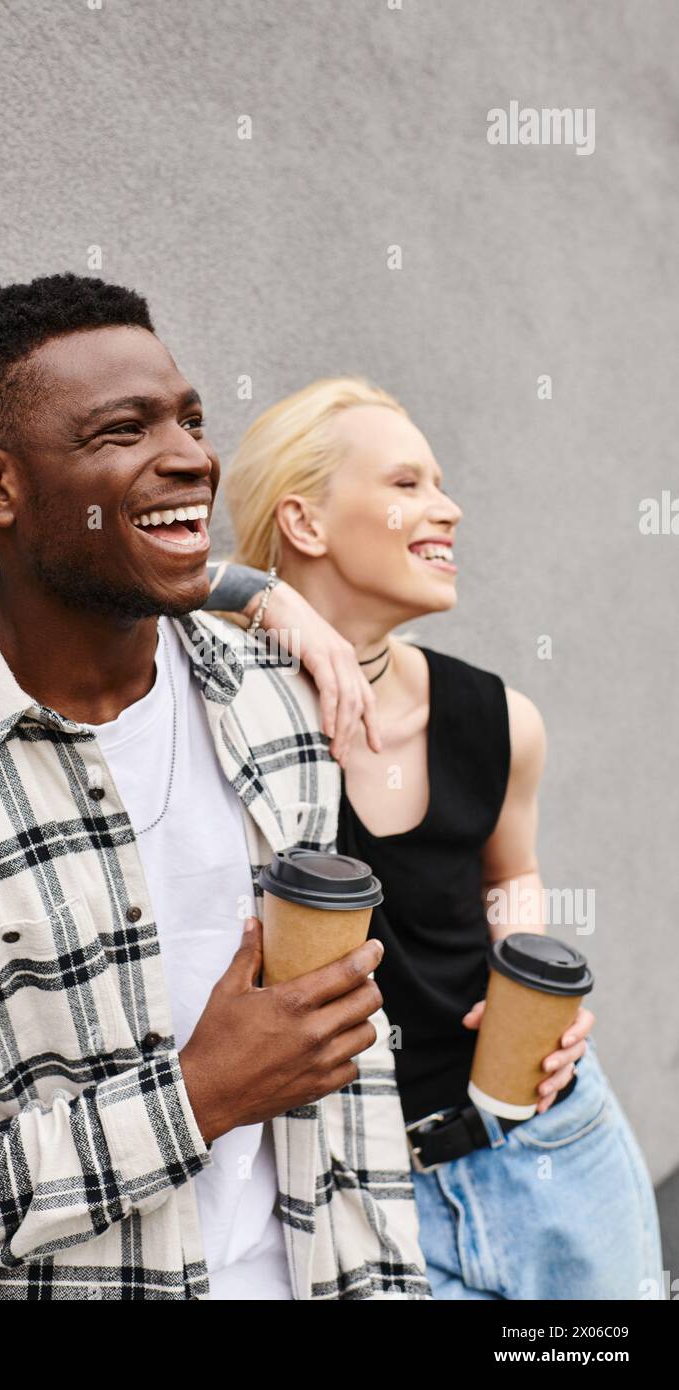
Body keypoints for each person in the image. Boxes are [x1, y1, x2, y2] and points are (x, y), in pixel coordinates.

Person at [0, 278, 430, 1302]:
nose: (190, 454)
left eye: (188, 417)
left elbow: (340, 1065)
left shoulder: (275, 712)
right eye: (122, 430)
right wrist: (188, 1099)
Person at [211, 376, 662, 1301]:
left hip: (549, 1141)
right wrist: (265, 600)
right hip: (363, 1194)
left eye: (441, 484)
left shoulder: (501, 718)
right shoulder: (211, 703)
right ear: (304, 521)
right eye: (407, 484)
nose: (447, 508)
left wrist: (526, 982)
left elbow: (513, 872)